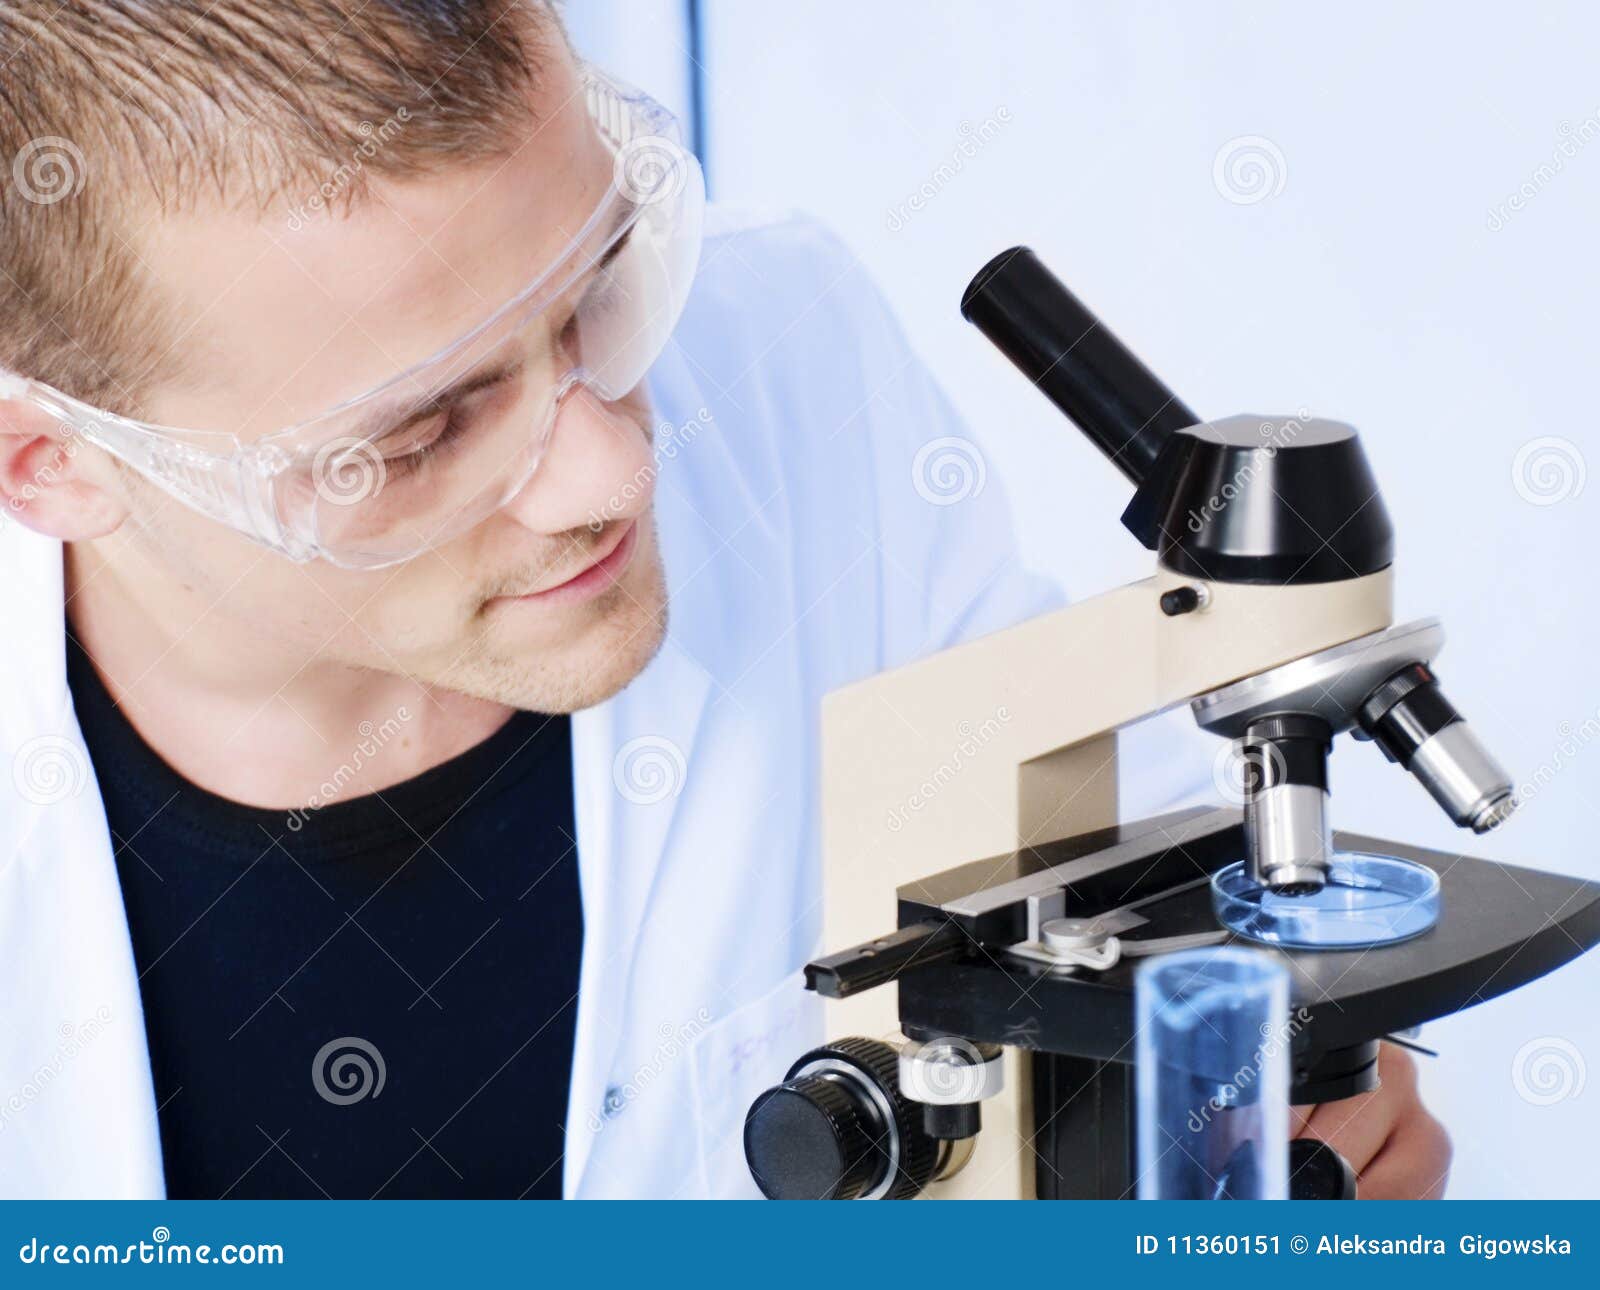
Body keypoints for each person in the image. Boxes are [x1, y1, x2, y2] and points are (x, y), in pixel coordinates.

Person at [0, 0, 1449, 1199]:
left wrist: (1257, 1124)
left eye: (595, 287)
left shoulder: (786, 354)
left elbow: (1110, 919)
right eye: (420, 434)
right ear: (53, 463)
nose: (611, 469)